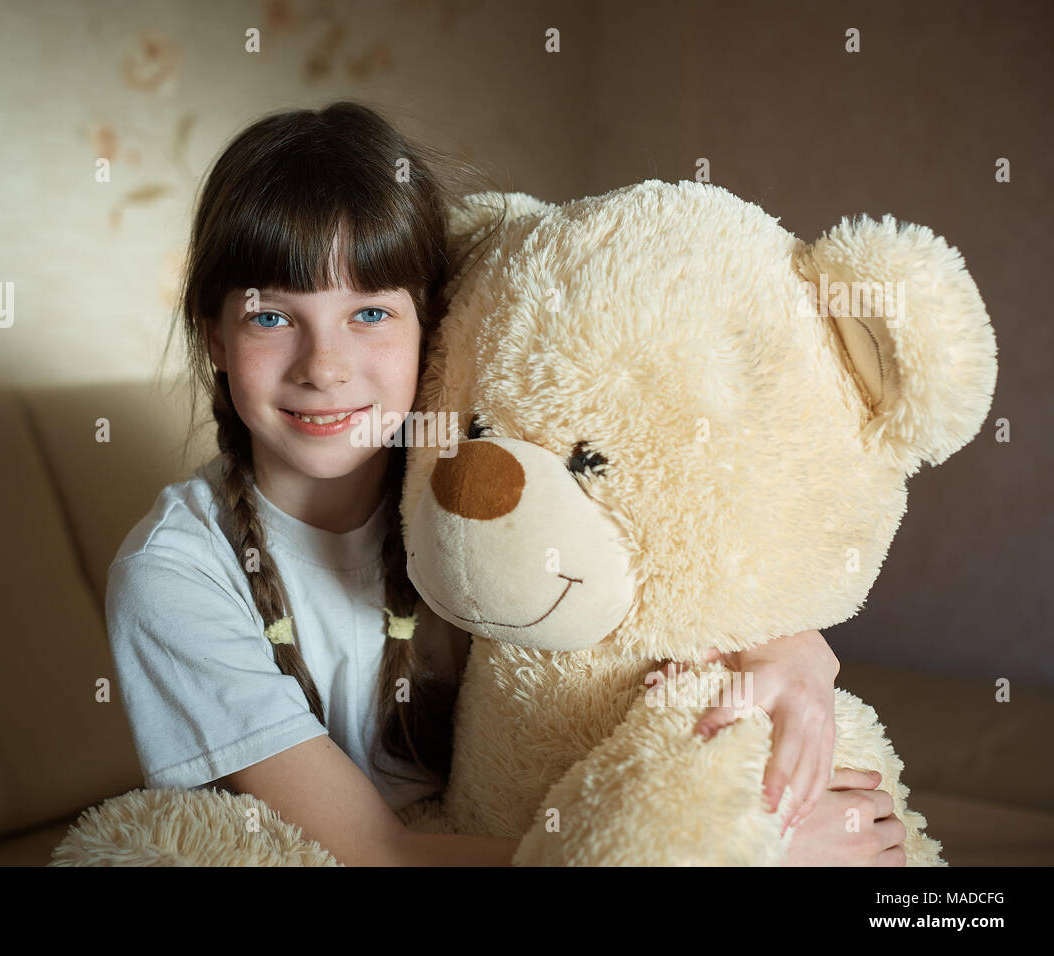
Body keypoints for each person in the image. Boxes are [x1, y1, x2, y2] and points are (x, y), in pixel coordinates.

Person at [106, 99, 907, 866]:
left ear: (433, 322)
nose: (324, 368)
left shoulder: (463, 486)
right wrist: (730, 856)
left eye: (371, 314)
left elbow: (663, 557)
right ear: (213, 334)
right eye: (272, 317)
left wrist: (795, 649)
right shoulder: (176, 575)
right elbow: (376, 856)